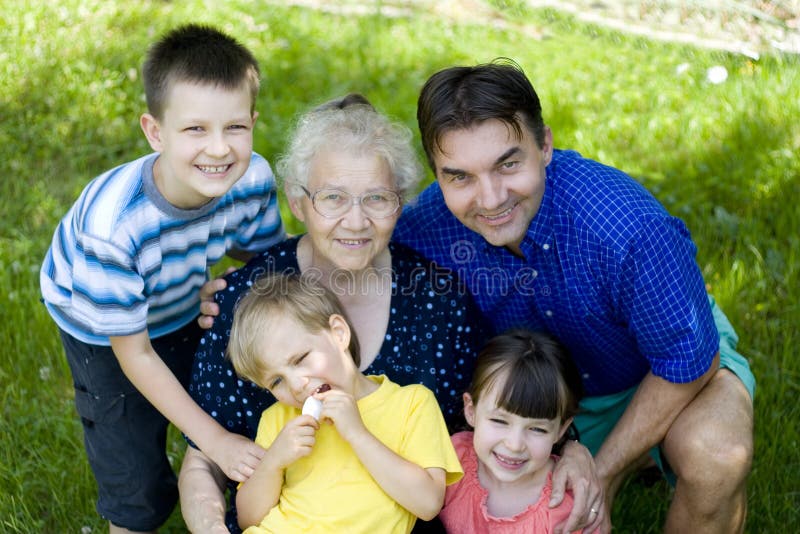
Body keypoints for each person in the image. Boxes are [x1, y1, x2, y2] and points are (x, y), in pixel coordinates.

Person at [179, 95, 599, 533]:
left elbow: (501, 404)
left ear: (400, 204)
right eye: (333, 198)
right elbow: (203, 455)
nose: (356, 221)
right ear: (298, 203)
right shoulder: (247, 300)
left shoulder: (440, 303)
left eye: (377, 199)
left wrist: (569, 448)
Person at [392, 59, 756, 533]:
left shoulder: (628, 229)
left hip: (661, 372)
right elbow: (351, 254)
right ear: (437, 175)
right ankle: (643, 453)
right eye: (460, 176)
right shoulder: (427, 226)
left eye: (508, 164)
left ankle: (645, 452)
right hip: (540, 403)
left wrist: (602, 472)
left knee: (716, 454)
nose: (491, 198)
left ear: (544, 145)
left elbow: (688, 361)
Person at [38, 24, 284, 533]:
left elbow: (264, 262)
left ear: (253, 123)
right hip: (103, 329)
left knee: (226, 398)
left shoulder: (253, 177)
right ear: (155, 132)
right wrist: (215, 441)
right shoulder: (115, 228)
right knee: (135, 468)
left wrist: (235, 287)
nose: (219, 149)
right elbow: (136, 355)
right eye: (195, 129)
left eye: (235, 127)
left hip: (178, 297)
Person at [227, 272, 463, 532]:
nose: (295, 385)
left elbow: (428, 503)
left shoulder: (412, 404)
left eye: (300, 359)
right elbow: (247, 519)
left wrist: (357, 434)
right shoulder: (278, 419)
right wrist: (273, 462)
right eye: (276, 381)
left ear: (338, 334)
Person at [439, 329, 584, 533]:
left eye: (537, 429)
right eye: (499, 421)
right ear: (471, 411)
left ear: (561, 430)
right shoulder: (453, 458)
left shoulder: (564, 506)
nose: (514, 445)